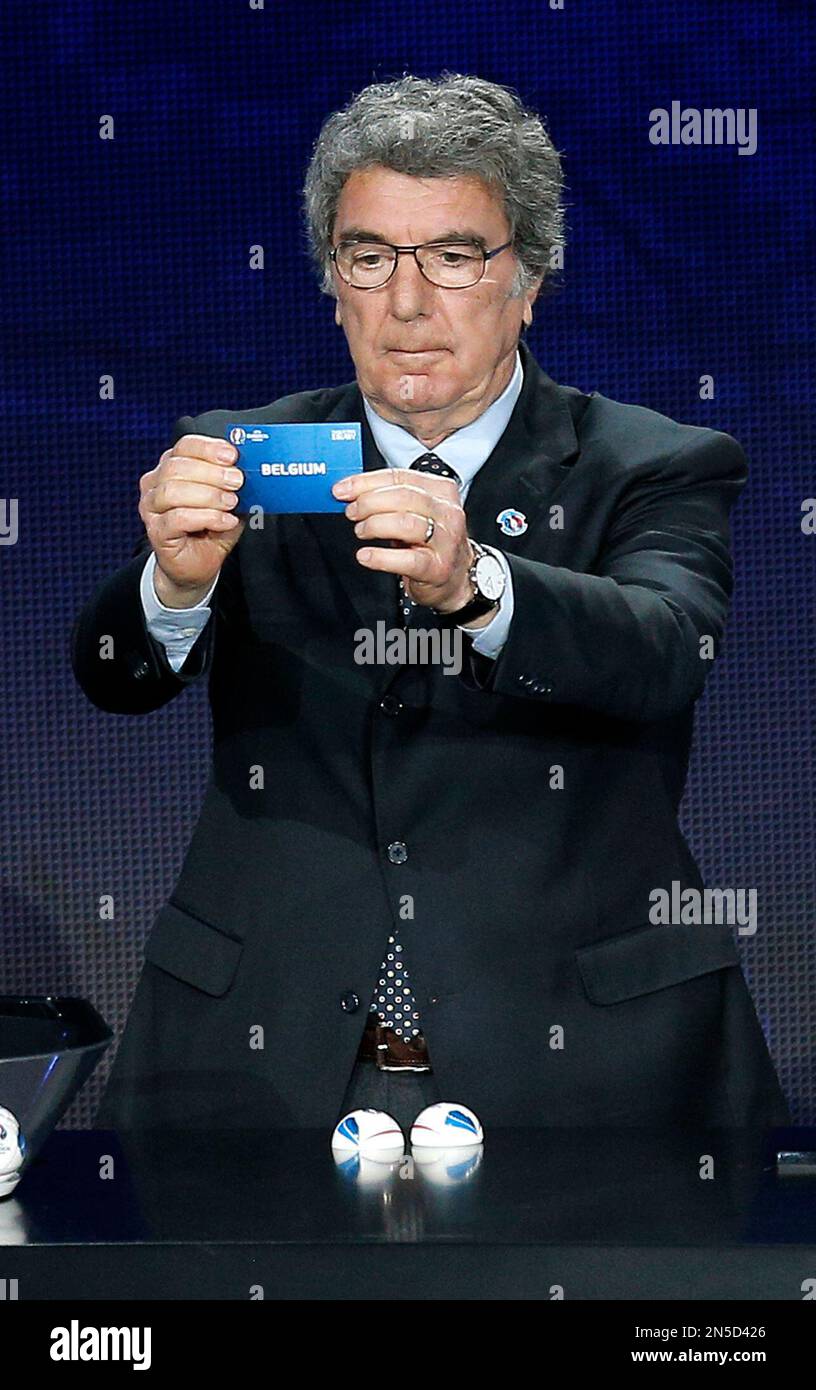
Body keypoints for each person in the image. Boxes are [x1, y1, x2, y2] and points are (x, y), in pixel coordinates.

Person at [71, 73, 789, 1134]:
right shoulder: (246, 454)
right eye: (370, 257)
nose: (407, 304)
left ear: (530, 278)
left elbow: (664, 649)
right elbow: (111, 677)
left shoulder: (654, 465)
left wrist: (476, 585)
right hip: (260, 1061)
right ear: (332, 280)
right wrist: (172, 584)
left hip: (586, 1068)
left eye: (455, 258)